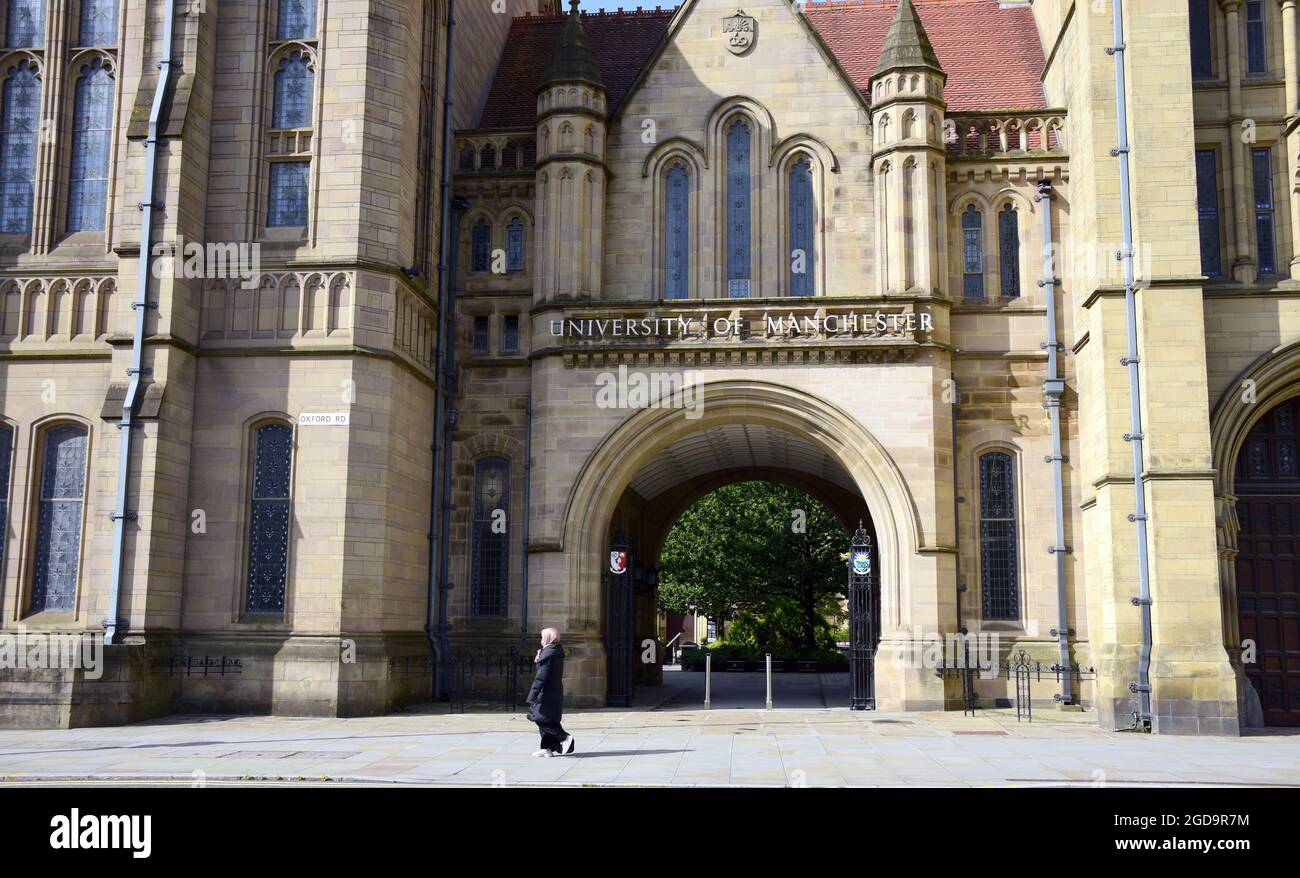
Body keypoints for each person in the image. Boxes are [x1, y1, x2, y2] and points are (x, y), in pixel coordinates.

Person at [526, 627, 574, 756]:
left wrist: (532, 694)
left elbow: (541, 677)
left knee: (540, 719)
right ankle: (547, 748)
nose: (541, 640)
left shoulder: (548, 654)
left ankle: (564, 737)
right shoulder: (553, 651)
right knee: (548, 720)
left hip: (546, 692)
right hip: (552, 691)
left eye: (543, 637)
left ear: (548, 638)